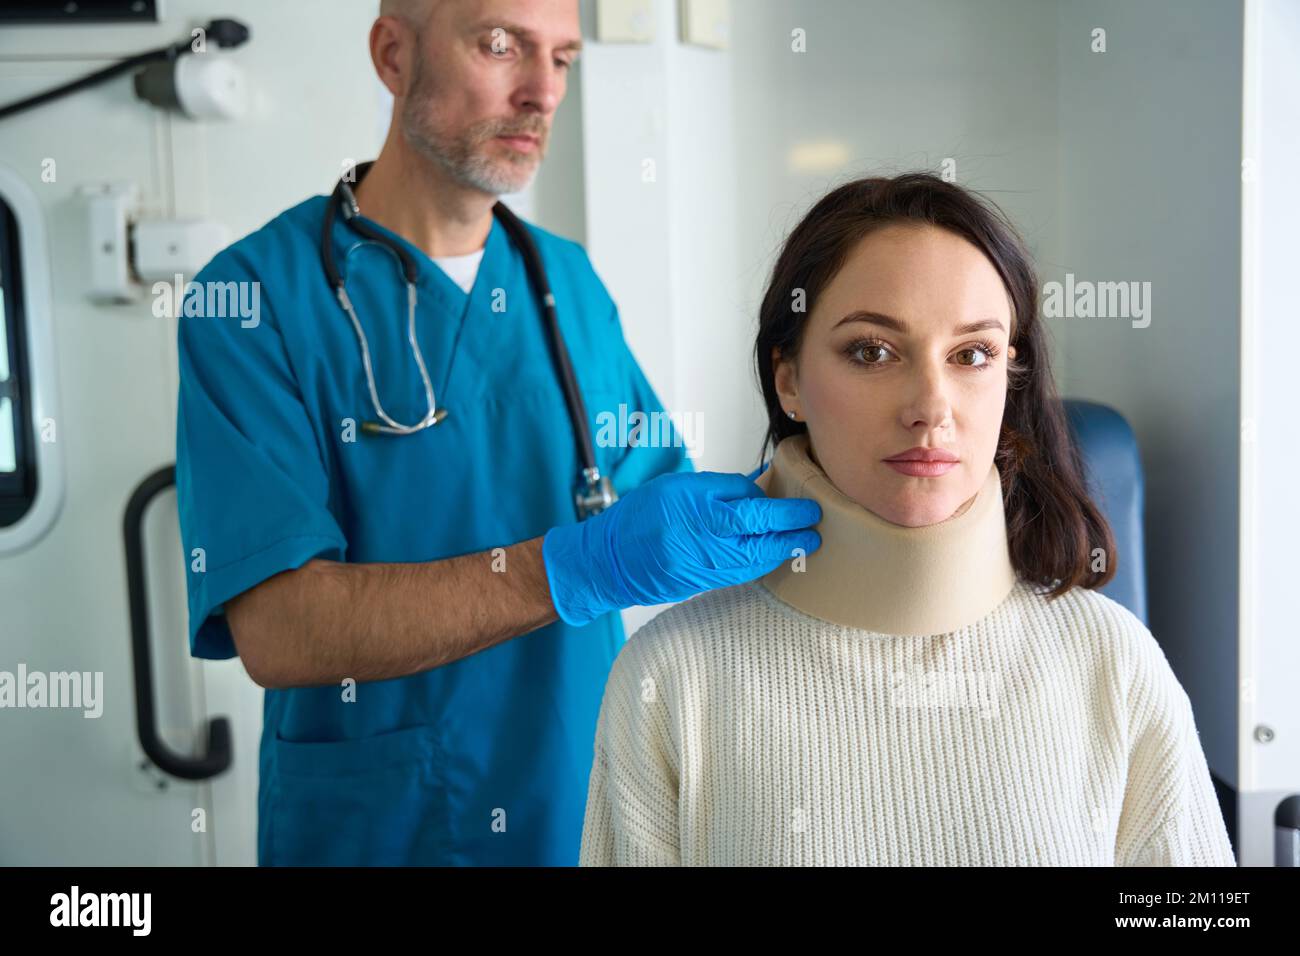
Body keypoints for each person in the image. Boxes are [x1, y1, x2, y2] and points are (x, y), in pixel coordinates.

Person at [174, 0, 821, 866]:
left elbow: (663, 498)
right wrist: (575, 567)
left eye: (561, 59)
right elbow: (279, 627)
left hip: (577, 799)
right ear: (393, 52)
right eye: (499, 44)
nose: (541, 91)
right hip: (381, 823)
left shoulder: (566, 280)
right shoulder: (252, 298)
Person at [579, 172, 1237, 866]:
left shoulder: (1114, 663)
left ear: (1010, 380)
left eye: (972, 355)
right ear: (789, 380)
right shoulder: (671, 679)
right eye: (872, 351)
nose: (931, 405)